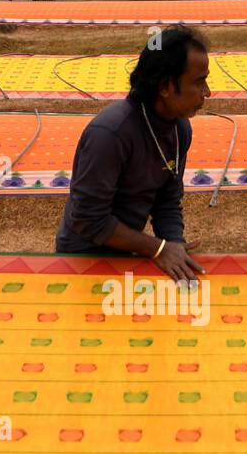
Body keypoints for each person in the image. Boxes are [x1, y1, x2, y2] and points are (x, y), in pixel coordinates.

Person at [55, 26, 209, 283]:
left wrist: (174, 245)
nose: (207, 92)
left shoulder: (180, 128)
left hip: (130, 251)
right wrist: (158, 249)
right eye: (198, 81)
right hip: (83, 256)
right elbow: (89, 220)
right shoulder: (110, 134)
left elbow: (167, 198)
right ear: (165, 86)